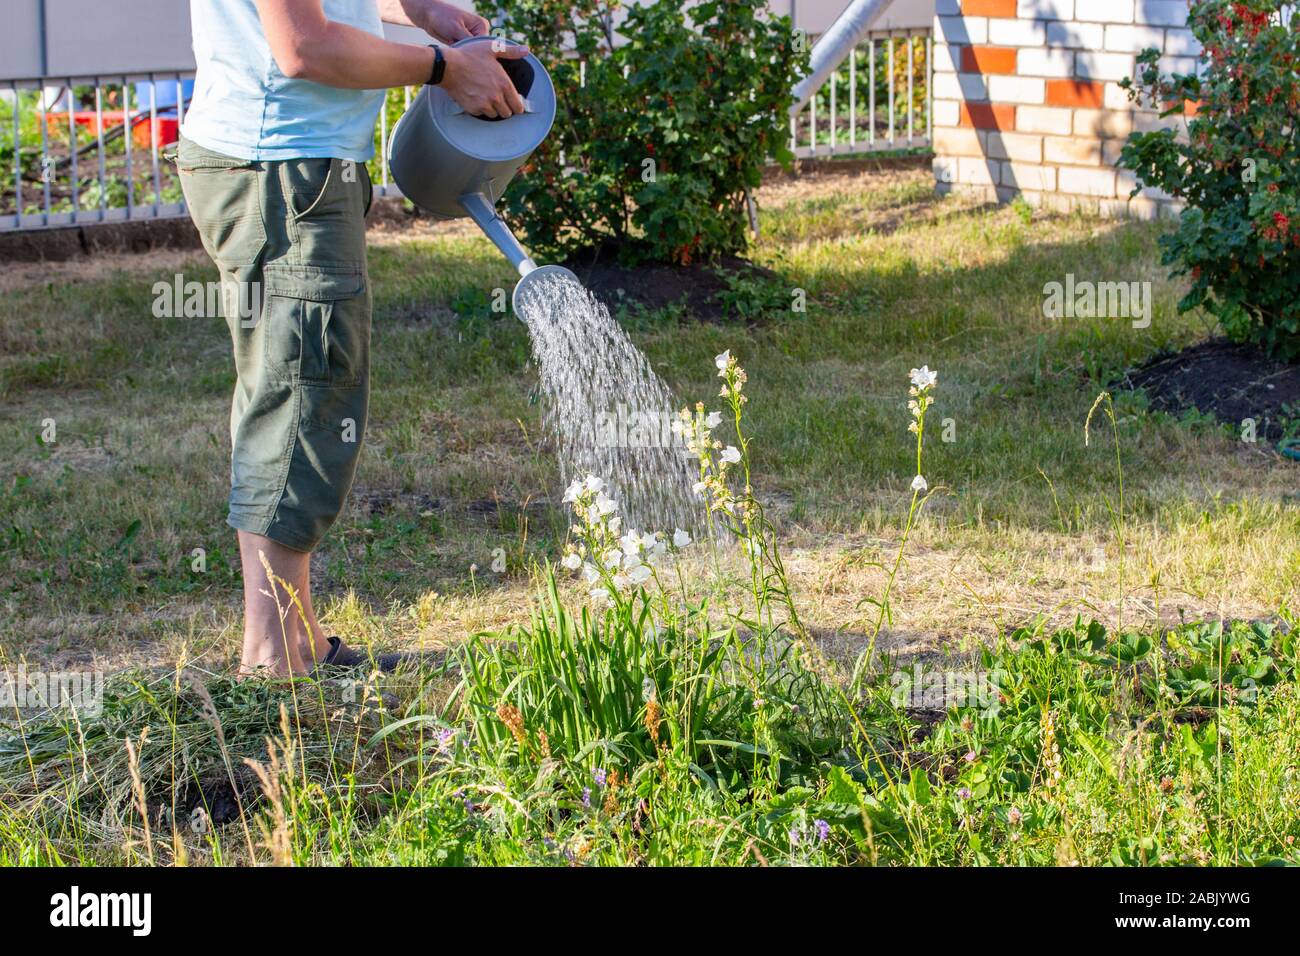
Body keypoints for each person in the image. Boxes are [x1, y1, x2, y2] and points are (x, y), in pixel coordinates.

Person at [174, 0, 528, 675]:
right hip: (284, 173)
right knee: (301, 401)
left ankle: (294, 637)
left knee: (292, 389)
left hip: (287, 167)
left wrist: (419, 11)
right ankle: (275, 660)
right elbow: (305, 46)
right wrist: (443, 68)